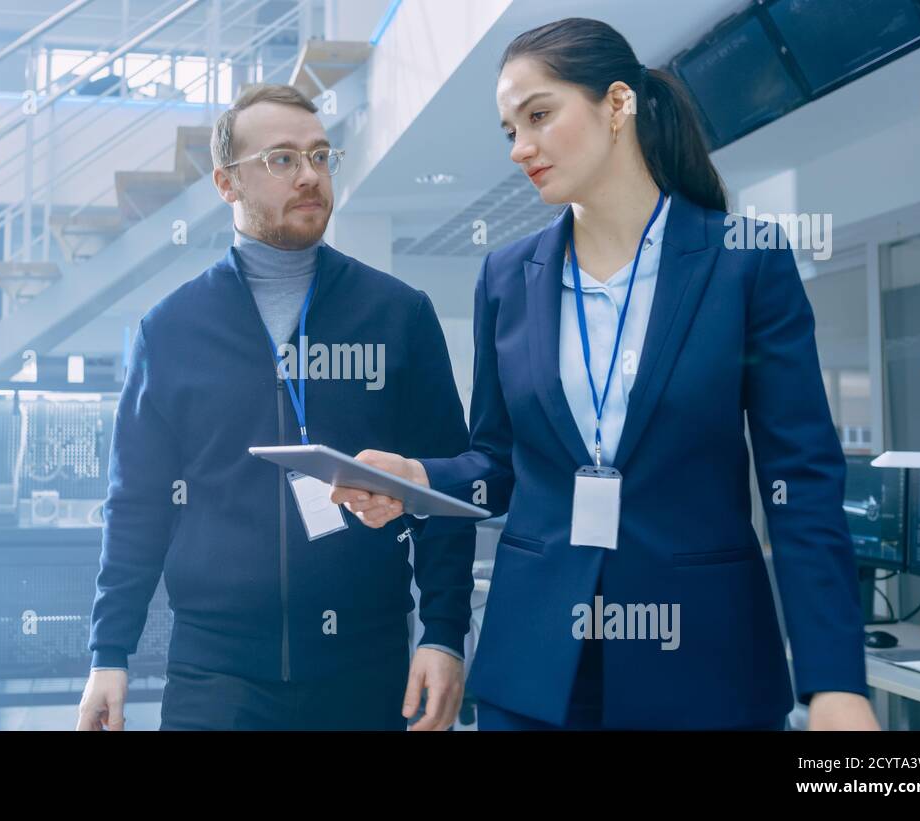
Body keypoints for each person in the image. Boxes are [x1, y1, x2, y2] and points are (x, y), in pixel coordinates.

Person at [331, 18, 879, 731]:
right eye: (508, 130)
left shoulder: (743, 261)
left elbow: (800, 480)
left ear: (617, 104)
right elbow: (498, 461)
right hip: (534, 667)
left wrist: (834, 677)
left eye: (538, 115)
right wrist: (419, 479)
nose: (520, 148)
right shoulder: (507, 276)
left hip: (701, 662)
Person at [76, 83, 475, 731]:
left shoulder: (399, 315)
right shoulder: (171, 328)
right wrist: (108, 651)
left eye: (321, 156)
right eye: (283, 159)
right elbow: (138, 501)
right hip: (215, 673)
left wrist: (443, 633)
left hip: (365, 666)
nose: (311, 175)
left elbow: (441, 488)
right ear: (226, 183)